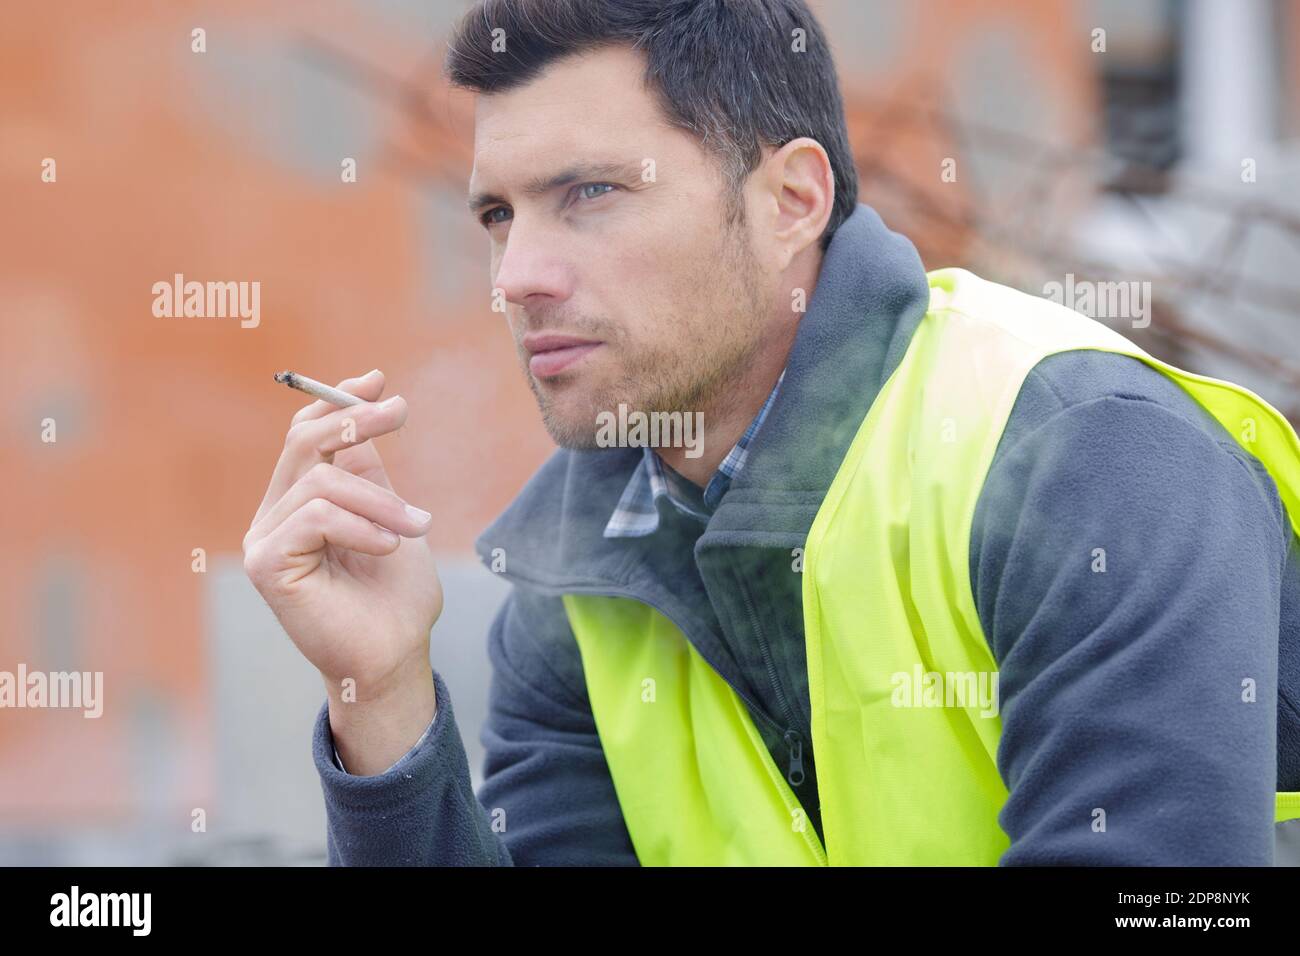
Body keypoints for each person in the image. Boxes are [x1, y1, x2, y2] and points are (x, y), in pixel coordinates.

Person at [241, 0, 1300, 865]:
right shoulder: (576, 587)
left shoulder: (1085, 461)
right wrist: (381, 700)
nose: (516, 276)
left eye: (590, 193)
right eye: (499, 216)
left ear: (791, 199)